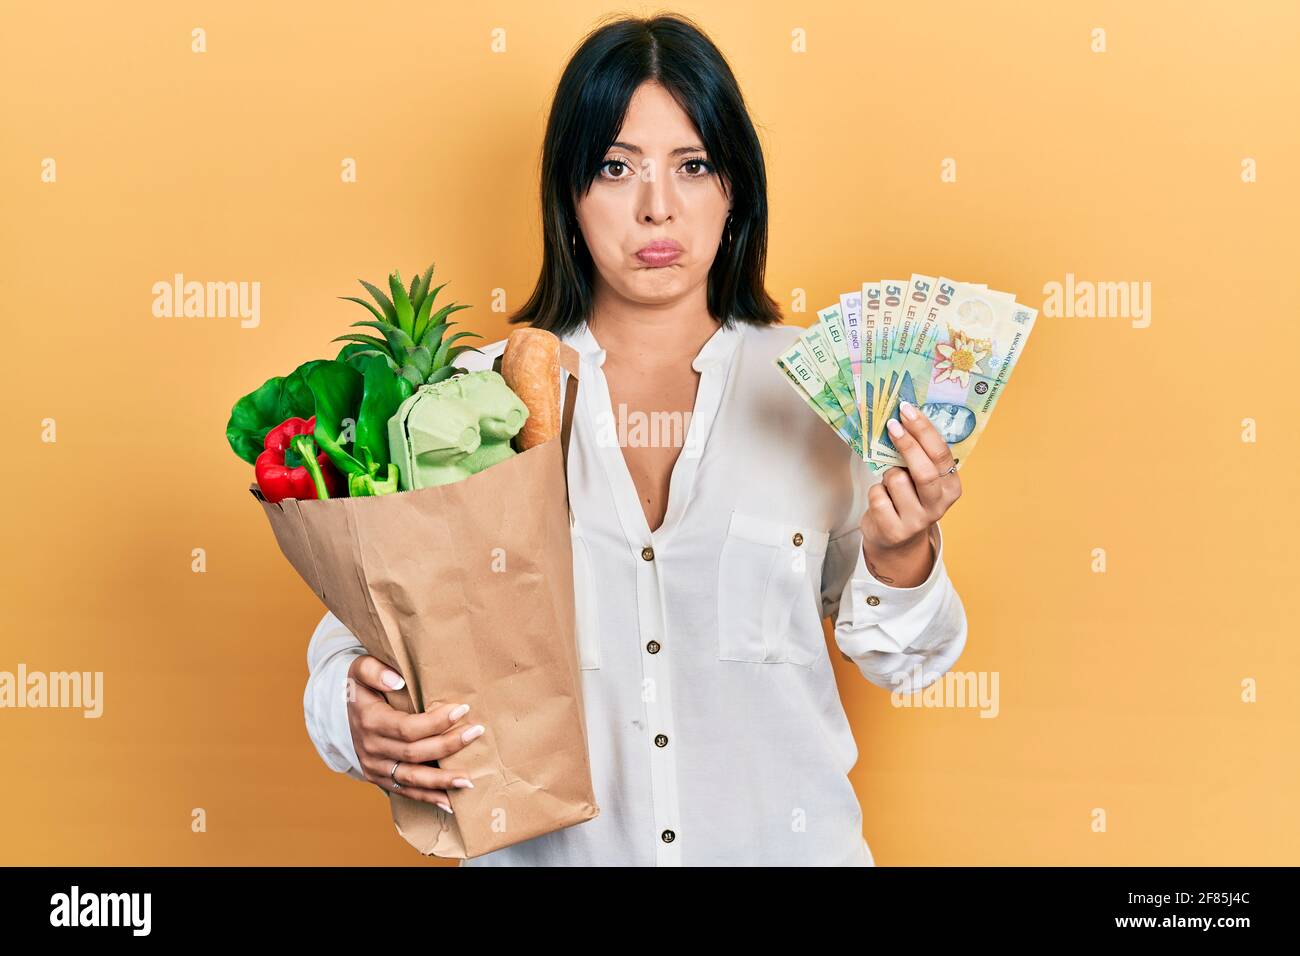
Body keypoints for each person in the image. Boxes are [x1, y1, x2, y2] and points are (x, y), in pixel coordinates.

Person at [304, 12, 967, 866]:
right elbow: (349, 645)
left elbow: (907, 669)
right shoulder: (467, 402)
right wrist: (348, 713)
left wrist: (902, 553)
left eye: (692, 167)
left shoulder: (827, 388)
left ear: (736, 190)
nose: (658, 208)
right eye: (617, 168)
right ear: (569, 192)